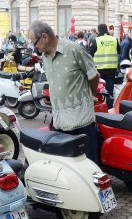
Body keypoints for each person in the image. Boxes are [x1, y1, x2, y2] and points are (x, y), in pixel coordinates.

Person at [27, 20, 101, 163]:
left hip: (82, 123)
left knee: (89, 168)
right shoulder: (45, 57)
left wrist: (92, 94)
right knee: (64, 167)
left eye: (34, 42)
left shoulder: (74, 49)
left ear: (44, 37)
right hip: (59, 124)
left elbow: (93, 75)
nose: (33, 47)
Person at [93, 23, 120, 108]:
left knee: (98, 90)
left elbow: (89, 54)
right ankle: (109, 108)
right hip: (111, 69)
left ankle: (99, 108)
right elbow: (119, 51)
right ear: (107, 30)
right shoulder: (114, 39)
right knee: (109, 90)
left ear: (98, 30)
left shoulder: (96, 40)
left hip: (99, 69)